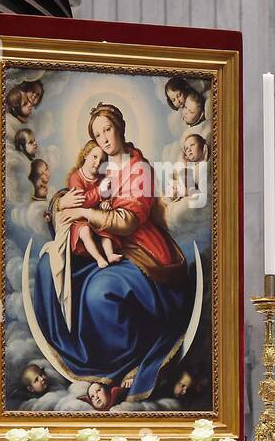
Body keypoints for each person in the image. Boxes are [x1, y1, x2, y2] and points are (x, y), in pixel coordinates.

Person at [29, 102, 194, 405]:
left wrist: (83, 211)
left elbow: (127, 221)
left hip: (141, 250)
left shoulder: (137, 168)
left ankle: (121, 362)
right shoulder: (100, 162)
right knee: (46, 268)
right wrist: (62, 204)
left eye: (107, 129)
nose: (104, 138)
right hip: (103, 243)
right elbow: (77, 188)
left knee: (99, 291)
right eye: (97, 134)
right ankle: (79, 352)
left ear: (119, 127)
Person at [62, 141, 121, 268]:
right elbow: (80, 201)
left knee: (106, 226)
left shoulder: (101, 178)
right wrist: (99, 191)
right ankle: (99, 258)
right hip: (79, 217)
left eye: (102, 160)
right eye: (94, 157)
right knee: (85, 231)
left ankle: (110, 255)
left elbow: (107, 196)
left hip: (94, 215)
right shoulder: (75, 177)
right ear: (85, 155)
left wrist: (106, 203)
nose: (98, 162)